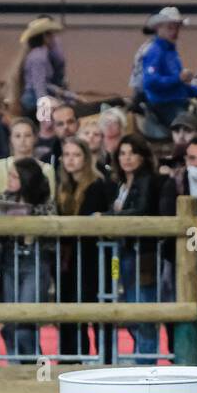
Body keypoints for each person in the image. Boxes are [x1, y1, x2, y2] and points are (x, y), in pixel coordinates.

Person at [55, 137, 114, 360]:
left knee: (98, 308)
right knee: (69, 309)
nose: (71, 160)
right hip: (68, 260)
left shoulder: (99, 185)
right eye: (67, 155)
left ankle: (106, 358)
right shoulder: (62, 187)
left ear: (86, 158)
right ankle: (71, 357)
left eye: (76, 155)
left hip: (94, 258)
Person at [110, 134, 168, 361]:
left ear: (142, 156)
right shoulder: (122, 184)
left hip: (144, 255)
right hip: (125, 253)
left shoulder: (148, 180)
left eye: (132, 153)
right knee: (132, 309)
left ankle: (146, 360)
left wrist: (107, 216)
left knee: (144, 308)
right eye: (122, 153)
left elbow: (142, 210)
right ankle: (141, 356)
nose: (127, 158)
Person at [0, 158, 56, 360]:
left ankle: (37, 371)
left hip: (35, 261)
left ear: (26, 178)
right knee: (10, 324)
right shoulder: (4, 197)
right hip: (9, 260)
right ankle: (15, 370)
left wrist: (25, 216)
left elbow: (51, 227)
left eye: (14, 176)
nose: (9, 179)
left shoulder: (45, 201)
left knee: (25, 324)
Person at [139, 6, 197, 129]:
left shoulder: (171, 52)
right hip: (163, 105)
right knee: (188, 126)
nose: (175, 31)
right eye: (170, 27)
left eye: (177, 28)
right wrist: (178, 78)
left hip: (178, 102)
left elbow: (180, 85)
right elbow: (150, 82)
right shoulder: (154, 51)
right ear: (158, 28)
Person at [9, 15, 75, 119]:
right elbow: (40, 88)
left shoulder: (41, 53)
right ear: (45, 36)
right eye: (52, 35)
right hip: (32, 102)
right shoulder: (39, 57)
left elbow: (44, 84)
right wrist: (45, 115)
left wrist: (67, 94)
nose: (54, 38)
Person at [0, 117, 57, 200]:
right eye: (17, 136)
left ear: (35, 138)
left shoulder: (47, 169)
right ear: (11, 139)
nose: (22, 140)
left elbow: (50, 200)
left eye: (27, 135)